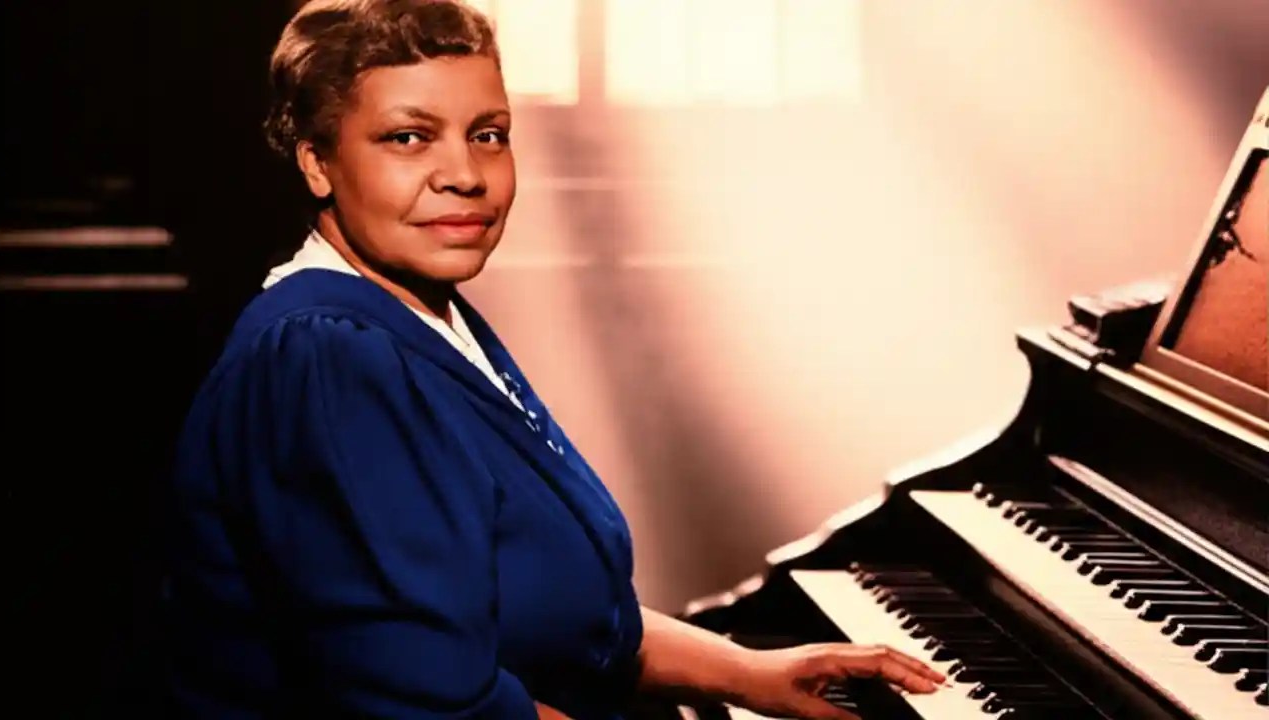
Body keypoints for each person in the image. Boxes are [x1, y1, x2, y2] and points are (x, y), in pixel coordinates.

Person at [162, 1, 946, 718]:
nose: (465, 175)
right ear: (317, 162)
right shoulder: (327, 355)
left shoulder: (422, 317)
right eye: (408, 137)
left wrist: (747, 673)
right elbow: (435, 708)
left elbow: (558, 614)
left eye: (488, 134)